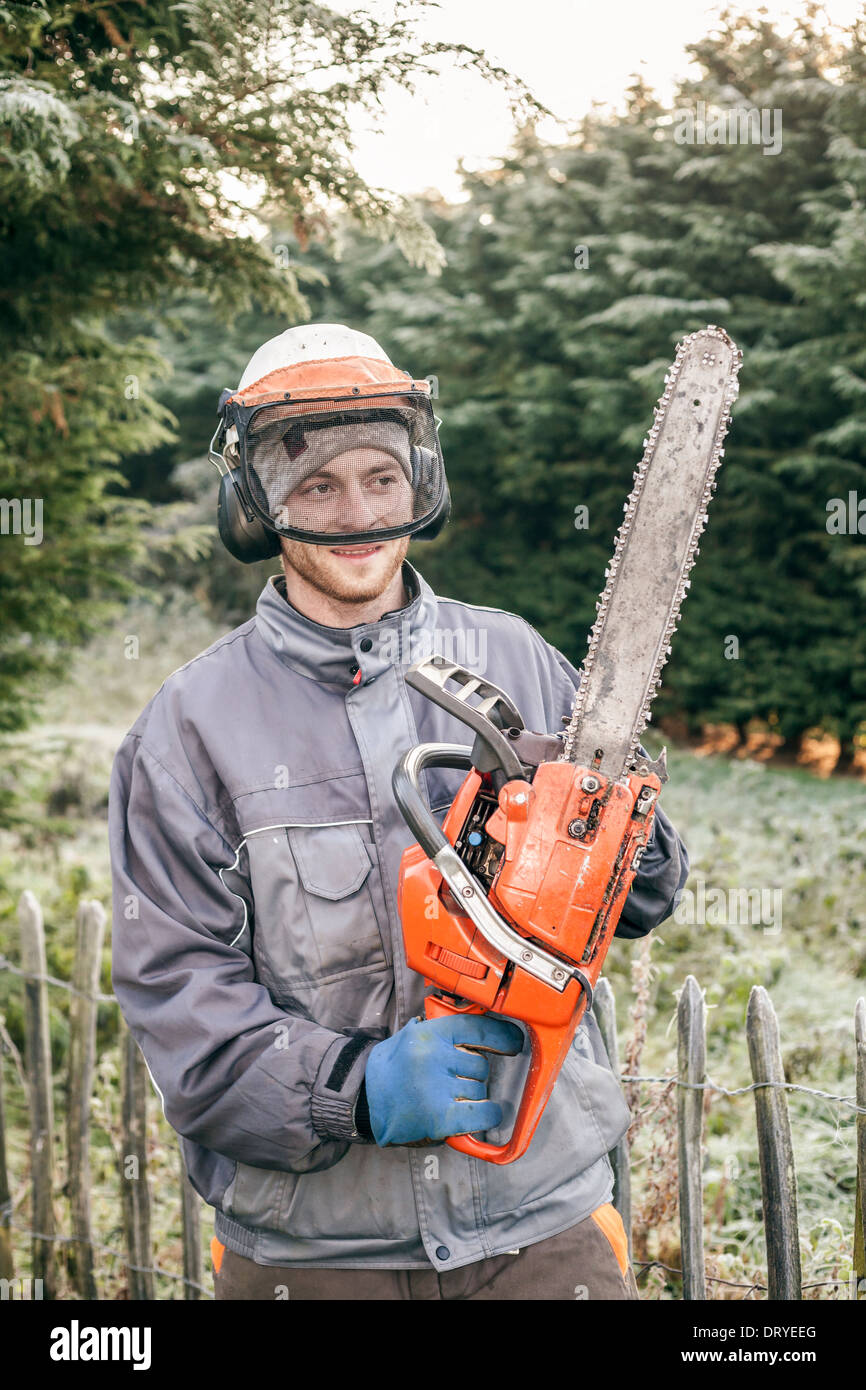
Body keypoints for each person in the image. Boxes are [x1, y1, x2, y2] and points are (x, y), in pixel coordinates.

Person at [109, 323, 689, 1301]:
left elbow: (649, 894)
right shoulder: (186, 730)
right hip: (311, 1253)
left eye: (381, 477)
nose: (357, 511)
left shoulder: (517, 660)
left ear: (420, 479)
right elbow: (181, 1007)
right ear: (256, 505)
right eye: (318, 486)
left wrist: (608, 841)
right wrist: (353, 1090)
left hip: (536, 1223)